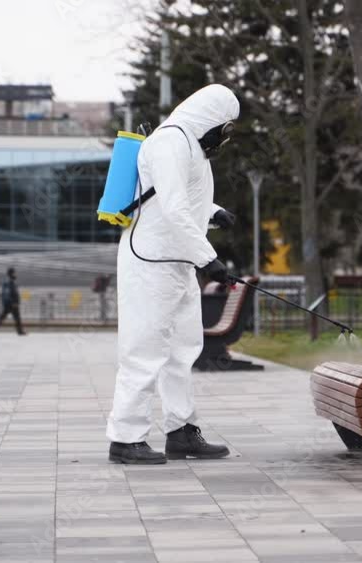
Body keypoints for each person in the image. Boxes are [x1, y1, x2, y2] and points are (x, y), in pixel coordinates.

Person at [107, 84, 239, 465]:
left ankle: (181, 431)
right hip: (150, 263)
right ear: (209, 118)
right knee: (143, 351)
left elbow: (183, 198)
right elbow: (172, 206)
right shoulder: (169, 142)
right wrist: (208, 258)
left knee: (182, 351)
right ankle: (126, 438)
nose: (222, 137)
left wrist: (212, 212)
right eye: (223, 128)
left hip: (177, 263)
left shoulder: (191, 146)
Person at [0, 267, 26, 336]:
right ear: (11, 273)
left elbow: (12, 293)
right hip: (11, 304)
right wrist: (13, 302)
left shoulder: (10, 282)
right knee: (15, 317)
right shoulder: (9, 282)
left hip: (10, 303)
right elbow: (9, 293)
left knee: (9, 317)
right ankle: (19, 331)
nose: (15, 274)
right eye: (14, 273)